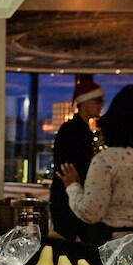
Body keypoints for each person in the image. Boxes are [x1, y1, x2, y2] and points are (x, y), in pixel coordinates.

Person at [54, 85, 133, 245]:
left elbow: (91, 213)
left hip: (111, 248)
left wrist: (72, 186)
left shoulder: (107, 160)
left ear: (116, 119)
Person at [49, 79, 104, 241]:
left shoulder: (78, 129)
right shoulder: (73, 130)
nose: (101, 105)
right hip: (67, 196)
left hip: (68, 194)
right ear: (85, 102)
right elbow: (68, 167)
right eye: (98, 101)